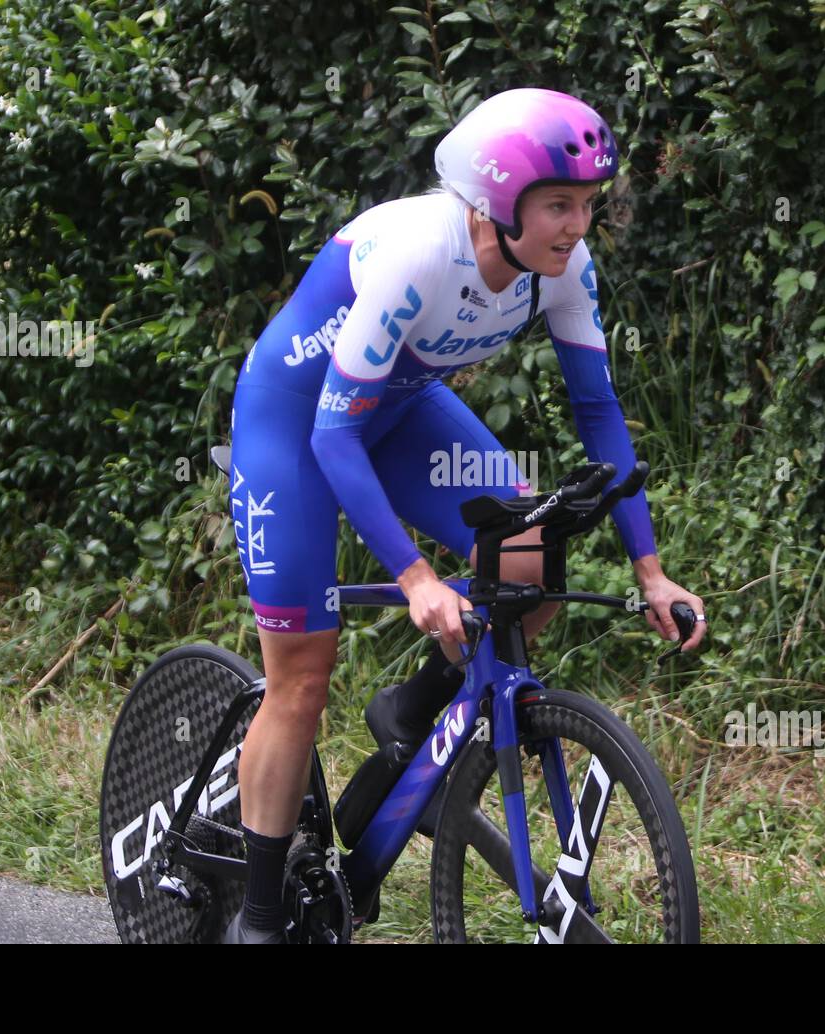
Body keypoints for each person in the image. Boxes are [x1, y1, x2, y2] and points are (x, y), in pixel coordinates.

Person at [222, 87, 706, 943]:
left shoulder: (562, 272)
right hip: (297, 424)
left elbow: (599, 412)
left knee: (530, 568)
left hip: (399, 413)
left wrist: (650, 569)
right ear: (496, 203)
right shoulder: (420, 255)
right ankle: (258, 921)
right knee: (301, 679)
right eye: (558, 204)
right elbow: (335, 439)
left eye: (589, 204)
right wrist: (413, 577)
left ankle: (414, 716)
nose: (577, 225)